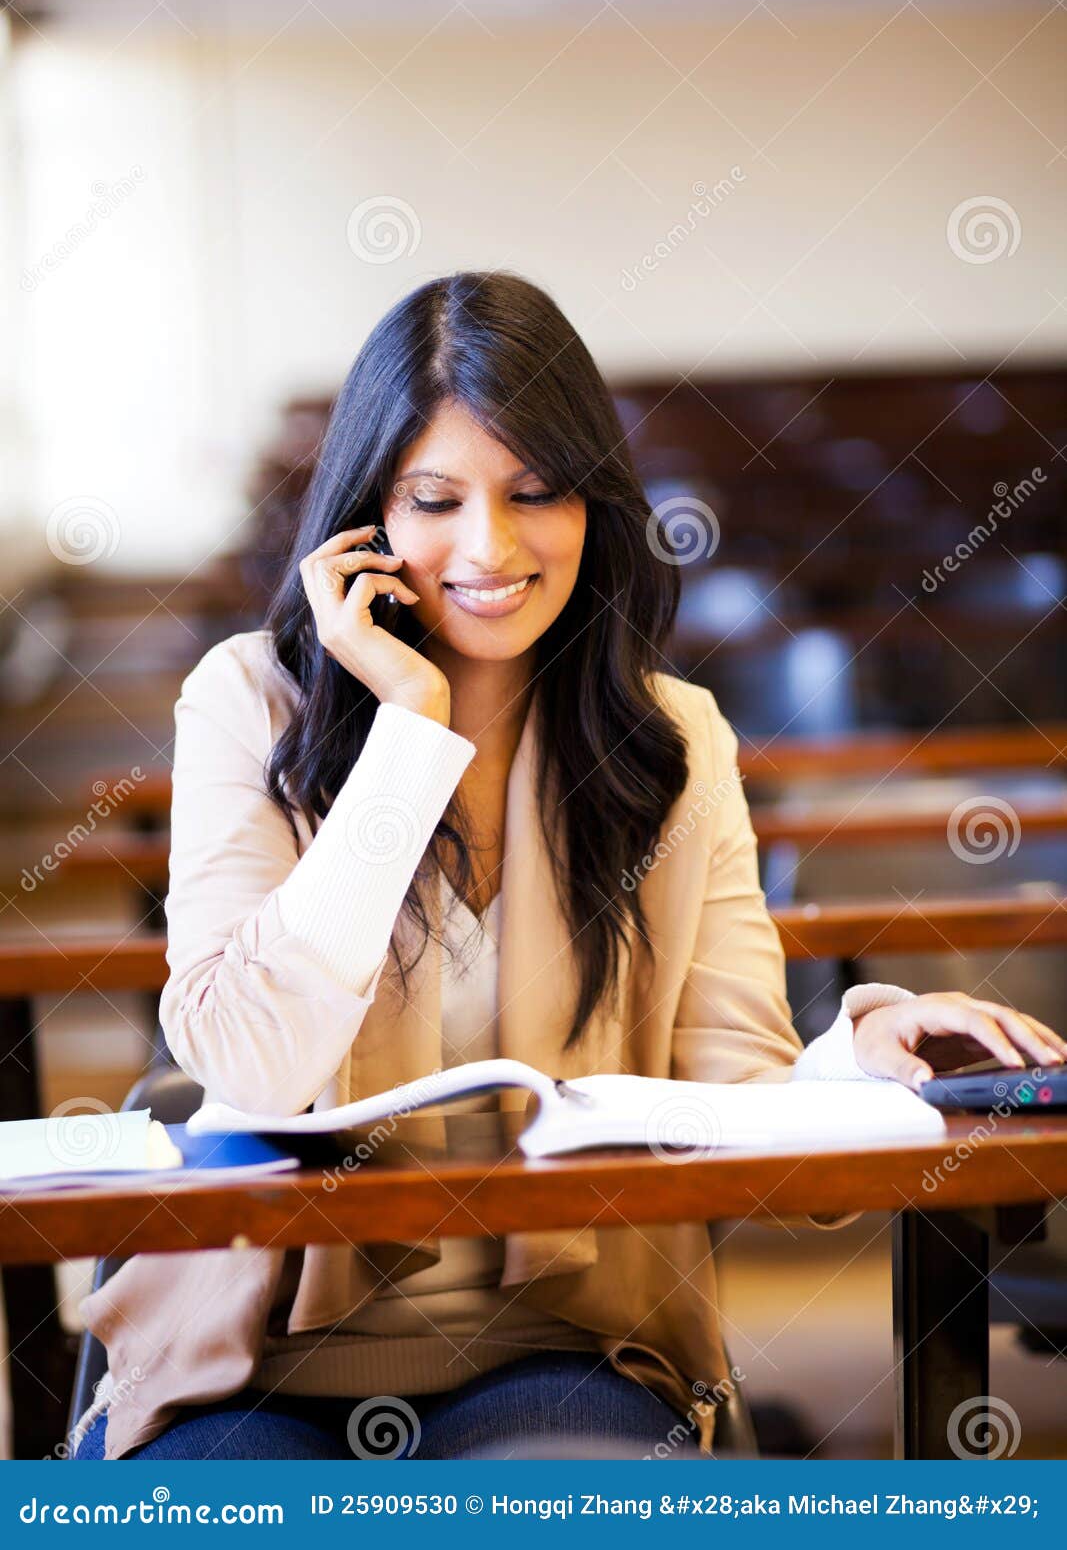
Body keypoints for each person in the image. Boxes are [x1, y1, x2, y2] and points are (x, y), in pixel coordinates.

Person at [72, 271, 1067, 1461]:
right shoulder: (246, 698)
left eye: (534, 492)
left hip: (559, 1344)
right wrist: (410, 733)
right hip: (248, 1363)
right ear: (366, 520)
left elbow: (755, 1125)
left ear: (591, 501)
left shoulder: (672, 740)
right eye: (434, 500)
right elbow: (253, 1062)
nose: (487, 546)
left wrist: (855, 1061)